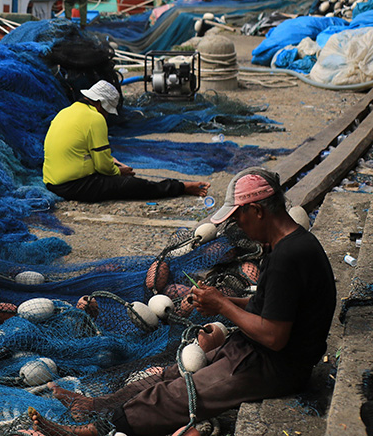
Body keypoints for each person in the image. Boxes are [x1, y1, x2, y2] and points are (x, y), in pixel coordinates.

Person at [31, 168, 337, 436]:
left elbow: (274, 335)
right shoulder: (283, 245)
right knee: (172, 372)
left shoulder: (289, 257)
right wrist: (227, 300)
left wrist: (223, 306)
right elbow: (271, 308)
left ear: (256, 210)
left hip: (276, 367)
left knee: (176, 395)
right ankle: (96, 405)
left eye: (238, 217)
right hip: (255, 350)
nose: (237, 226)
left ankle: (94, 431)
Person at [42, 80, 209, 202]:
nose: (106, 116)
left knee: (116, 171)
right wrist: (119, 172)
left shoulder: (66, 111)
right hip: (72, 186)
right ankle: (182, 187)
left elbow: (87, 153)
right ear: (100, 104)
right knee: (133, 186)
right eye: (107, 112)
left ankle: (179, 186)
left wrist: (113, 163)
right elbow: (102, 167)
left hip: (52, 182)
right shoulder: (95, 118)